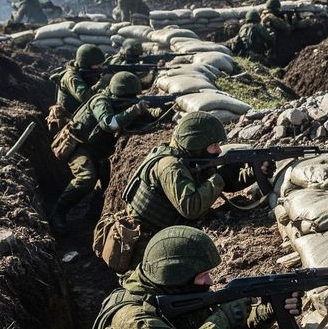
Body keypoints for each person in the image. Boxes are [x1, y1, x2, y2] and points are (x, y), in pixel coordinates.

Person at [121, 111, 263, 267]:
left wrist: (253, 173)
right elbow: (191, 207)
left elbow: (220, 184)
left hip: (161, 236)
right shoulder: (170, 167)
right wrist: (220, 178)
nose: (219, 150)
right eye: (214, 145)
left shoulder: (188, 158)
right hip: (145, 249)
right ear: (196, 144)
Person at [92, 225, 302, 329]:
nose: (211, 282)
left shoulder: (172, 292)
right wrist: (224, 318)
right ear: (177, 276)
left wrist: (266, 311)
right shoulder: (134, 320)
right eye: (203, 276)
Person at [50, 72, 166, 232]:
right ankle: (58, 213)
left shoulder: (122, 102)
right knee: (87, 178)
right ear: (119, 93)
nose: (133, 99)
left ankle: (94, 213)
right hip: (79, 147)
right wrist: (134, 110)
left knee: (109, 178)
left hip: (99, 149)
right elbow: (109, 124)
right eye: (129, 96)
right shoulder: (100, 101)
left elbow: (147, 117)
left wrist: (165, 109)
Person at [47, 44, 107, 133]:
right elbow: (84, 97)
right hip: (68, 123)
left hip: (81, 116)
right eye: (97, 66)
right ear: (86, 64)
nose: (101, 68)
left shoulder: (87, 71)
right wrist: (104, 81)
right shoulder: (71, 77)